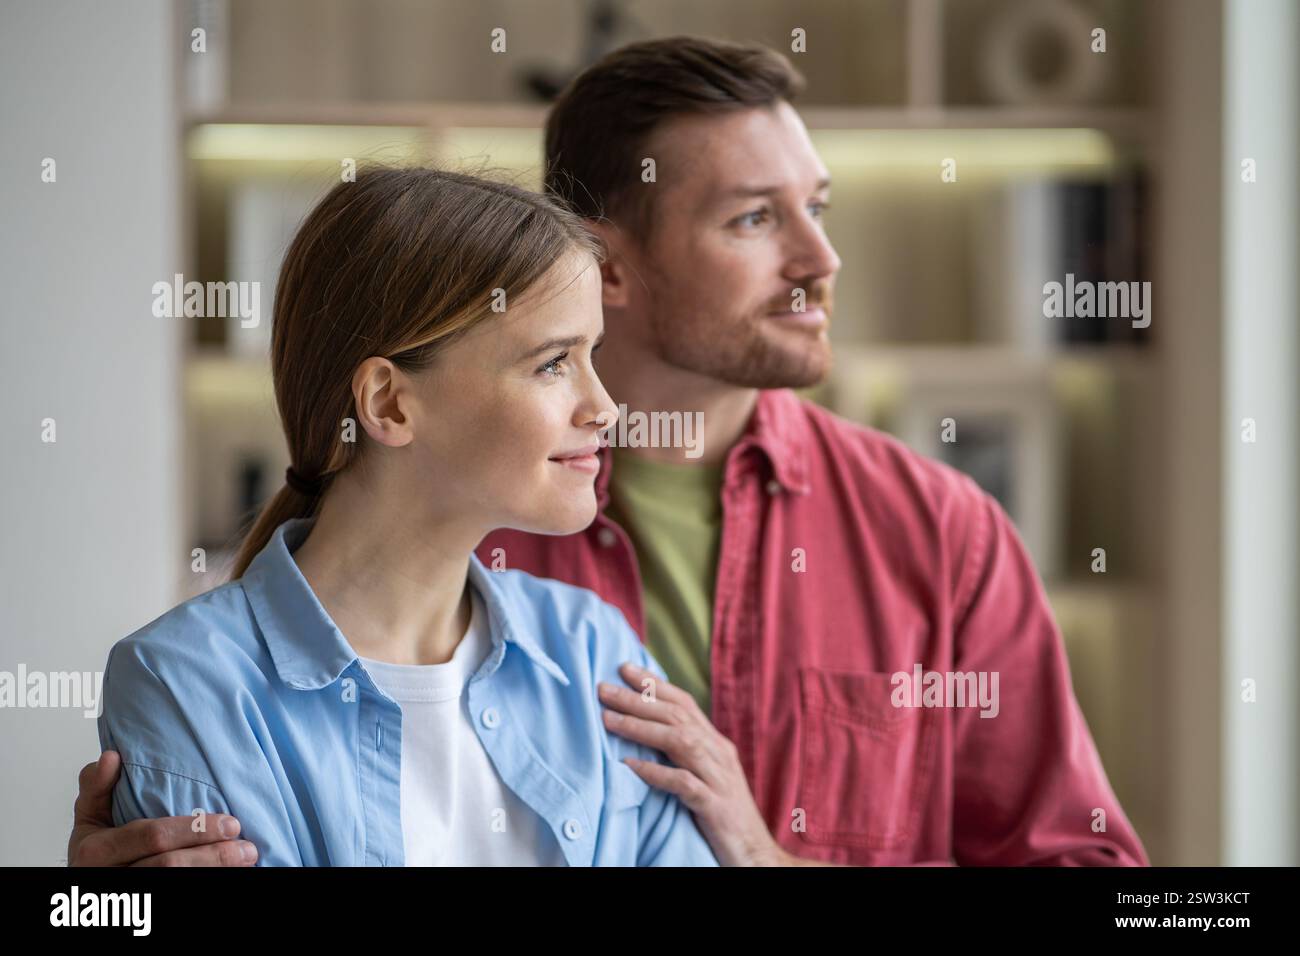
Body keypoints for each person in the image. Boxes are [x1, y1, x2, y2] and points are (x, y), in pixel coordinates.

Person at [70, 36, 1148, 868]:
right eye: (752, 219)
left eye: (815, 209)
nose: (822, 257)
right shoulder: (471, 530)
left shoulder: (934, 534)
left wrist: (770, 857)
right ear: (608, 264)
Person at [88, 166, 717, 867]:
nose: (604, 407)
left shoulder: (595, 649)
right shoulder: (182, 682)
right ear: (388, 404)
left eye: (591, 355)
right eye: (552, 363)